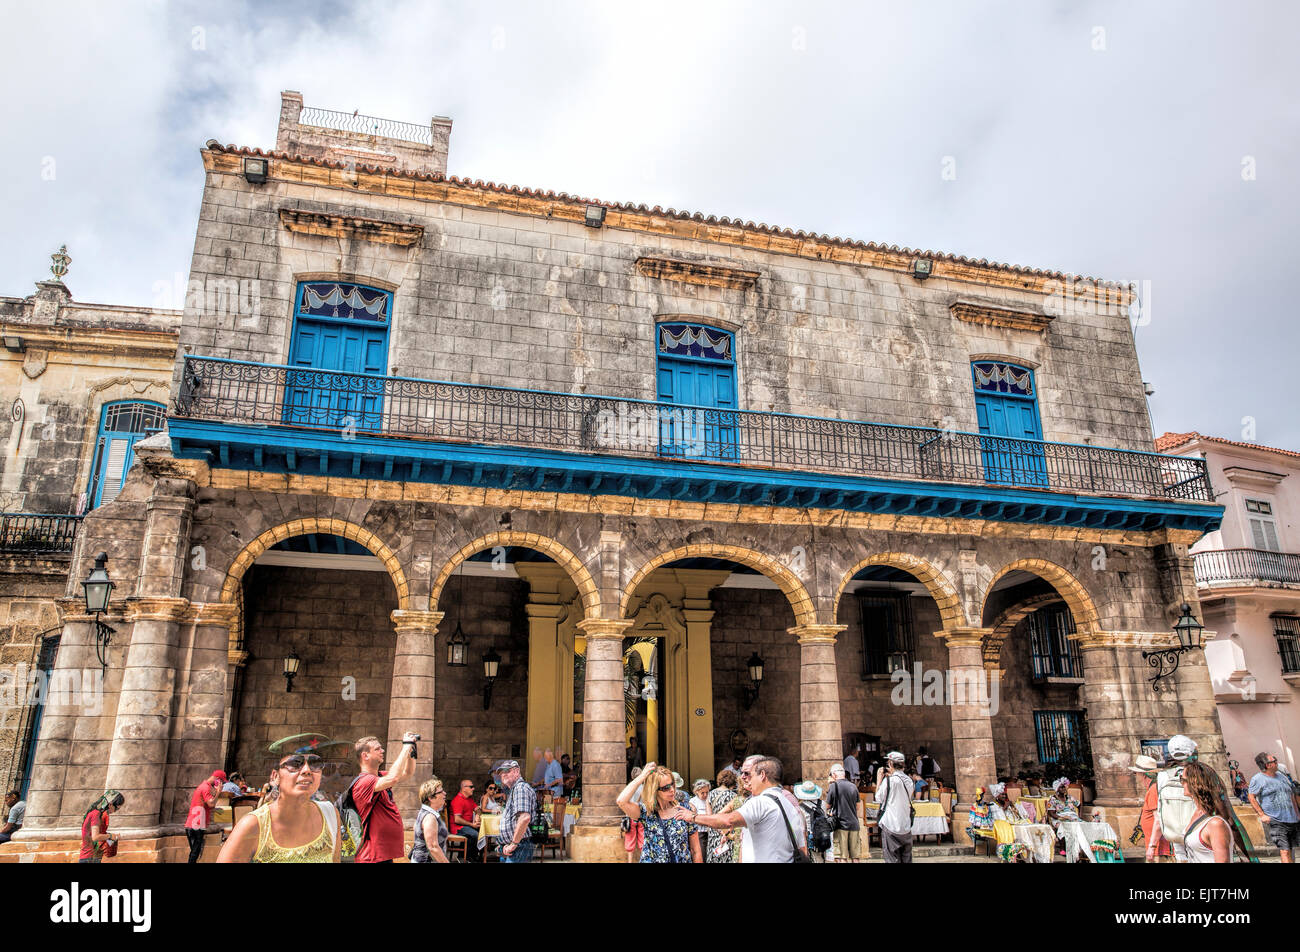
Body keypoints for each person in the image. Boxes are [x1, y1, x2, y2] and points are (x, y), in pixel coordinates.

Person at [217, 751, 339, 863]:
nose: (307, 770)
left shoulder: (330, 815)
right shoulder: (253, 825)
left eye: (315, 764)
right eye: (295, 764)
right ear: (276, 776)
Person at [680, 756, 807, 862]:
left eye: (750, 775)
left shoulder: (761, 802)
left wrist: (693, 817)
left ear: (762, 775)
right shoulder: (790, 805)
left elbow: (728, 820)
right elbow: (802, 848)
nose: (745, 779)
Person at [350, 732, 418, 863]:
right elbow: (393, 778)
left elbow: (408, 773)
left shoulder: (380, 776)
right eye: (377, 749)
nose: (382, 750)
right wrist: (406, 746)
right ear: (365, 756)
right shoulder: (363, 781)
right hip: (370, 856)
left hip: (383, 854)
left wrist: (412, 750)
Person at [618, 762, 701, 863]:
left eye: (672, 784)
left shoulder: (685, 810)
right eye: (666, 788)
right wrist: (642, 776)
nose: (672, 790)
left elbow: (695, 850)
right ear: (655, 790)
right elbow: (621, 801)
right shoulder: (647, 812)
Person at [1248, 751, 1300, 863]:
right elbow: (1251, 797)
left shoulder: (1282, 776)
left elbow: (1291, 794)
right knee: (1284, 850)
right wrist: (1262, 815)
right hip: (1276, 820)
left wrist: (1297, 813)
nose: (1277, 763)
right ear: (1267, 765)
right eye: (1274, 761)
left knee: (1291, 850)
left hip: (1292, 818)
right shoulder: (1258, 779)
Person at [1181, 761, 1235, 863]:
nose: (1181, 784)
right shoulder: (1197, 812)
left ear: (1194, 783)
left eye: (1183, 780)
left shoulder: (1216, 824)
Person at [496, 759, 538, 863]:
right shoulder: (514, 789)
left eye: (507, 771)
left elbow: (524, 818)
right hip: (513, 847)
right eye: (502, 773)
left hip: (519, 846)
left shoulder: (520, 788)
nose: (503, 775)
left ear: (517, 771)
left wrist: (514, 843)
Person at [1131, 755, 1171, 862]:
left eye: (1136, 773)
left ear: (1143, 774)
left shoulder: (1153, 790)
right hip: (1158, 847)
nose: (1135, 775)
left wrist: (1152, 847)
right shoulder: (1154, 788)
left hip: (1159, 849)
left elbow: (1158, 820)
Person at [877, 751, 914, 863]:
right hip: (905, 825)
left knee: (891, 859)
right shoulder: (909, 781)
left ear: (891, 764)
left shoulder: (889, 781)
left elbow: (878, 798)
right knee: (906, 859)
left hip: (891, 824)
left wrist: (879, 779)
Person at [185, 768, 227, 864]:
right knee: (195, 853)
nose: (221, 784)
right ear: (217, 779)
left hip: (194, 823)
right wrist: (218, 792)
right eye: (221, 781)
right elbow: (211, 804)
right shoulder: (206, 788)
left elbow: (203, 804)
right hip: (196, 824)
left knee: (195, 852)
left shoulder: (204, 786)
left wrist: (216, 810)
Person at [825, 763, 862, 863]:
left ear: (833, 775)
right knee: (855, 857)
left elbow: (827, 806)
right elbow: (858, 806)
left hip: (841, 825)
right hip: (854, 824)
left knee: (842, 856)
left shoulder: (833, 786)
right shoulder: (853, 786)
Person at [705, 769, 742, 863]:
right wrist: (726, 833)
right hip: (727, 834)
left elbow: (709, 818)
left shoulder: (710, 794)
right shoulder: (733, 796)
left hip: (713, 834)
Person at [411, 777, 450, 863]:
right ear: (431, 798)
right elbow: (433, 847)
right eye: (441, 792)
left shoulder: (425, 813)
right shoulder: (429, 817)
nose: (445, 793)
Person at [79, 790, 124, 863]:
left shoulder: (97, 813)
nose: (116, 811)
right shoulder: (96, 814)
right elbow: (95, 837)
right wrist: (111, 836)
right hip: (89, 858)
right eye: (117, 808)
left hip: (92, 856)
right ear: (110, 804)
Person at [795, 781, 831, 862]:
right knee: (822, 858)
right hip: (824, 835)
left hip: (811, 837)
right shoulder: (823, 804)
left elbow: (802, 827)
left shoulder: (801, 808)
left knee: (814, 859)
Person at [449, 778, 481, 860]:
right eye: (471, 787)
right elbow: (457, 820)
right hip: (457, 828)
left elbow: (478, 809)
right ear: (464, 788)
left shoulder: (469, 799)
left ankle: (471, 856)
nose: (473, 788)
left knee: (482, 832)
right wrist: (472, 825)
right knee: (475, 834)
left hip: (467, 826)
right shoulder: (458, 800)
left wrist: (477, 814)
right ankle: (466, 857)